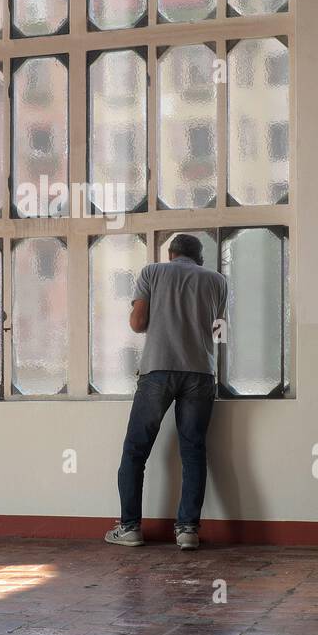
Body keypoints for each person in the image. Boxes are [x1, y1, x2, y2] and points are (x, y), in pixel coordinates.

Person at [105, 233, 227, 552]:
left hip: (158, 368)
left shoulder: (152, 272)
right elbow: (219, 333)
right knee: (193, 450)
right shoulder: (217, 281)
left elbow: (137, 322)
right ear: (199, 258)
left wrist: (164, 316)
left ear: (171, 253)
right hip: (201, 371)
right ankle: (187, 531)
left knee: (136, 450)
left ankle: (130, 528)